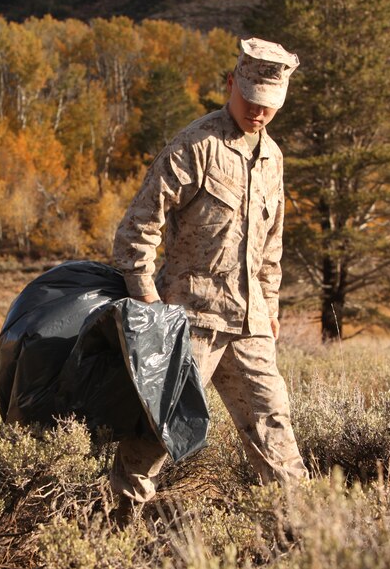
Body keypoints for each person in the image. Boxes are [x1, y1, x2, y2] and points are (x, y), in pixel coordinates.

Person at [110, 37, 308, 519]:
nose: (259, 113)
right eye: (251, 100)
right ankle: (112, 533)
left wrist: (271, 307)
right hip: (188, 320)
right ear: (230, 84)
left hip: (251, 324)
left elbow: (271, 245)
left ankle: (305, 538)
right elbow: (138, 226)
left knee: (275, 430)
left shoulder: (273, 158)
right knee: (154, 438)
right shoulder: (194, 146)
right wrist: (149, 301)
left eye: (270, 106)